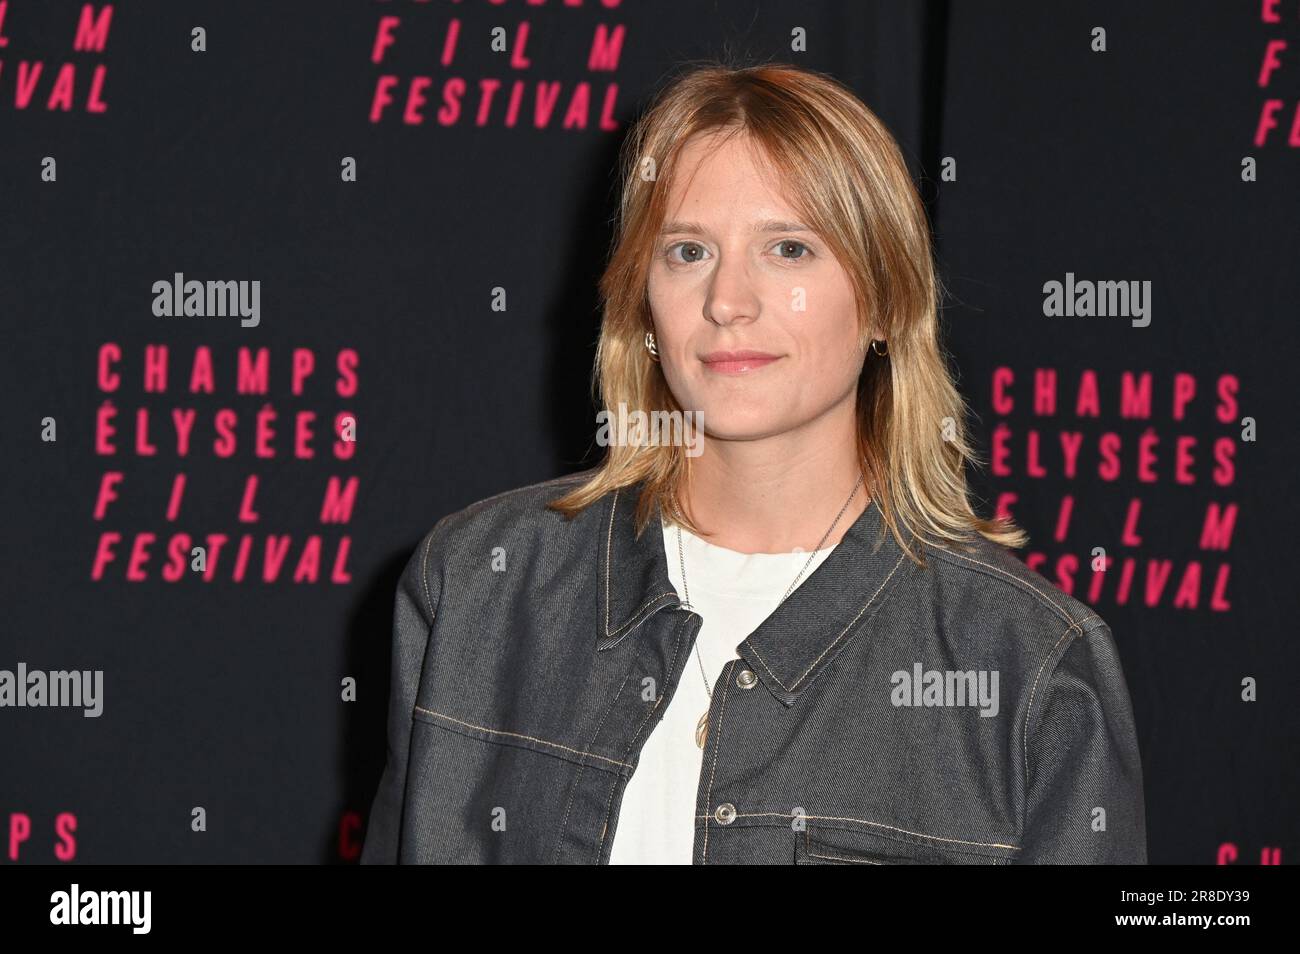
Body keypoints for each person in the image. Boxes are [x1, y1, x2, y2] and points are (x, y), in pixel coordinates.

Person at [360, 62, 1147, 865]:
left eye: (789, 248)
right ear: (643, 304)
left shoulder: (1028, 664)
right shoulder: (478, 586)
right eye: (688, 251)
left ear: (885, 300)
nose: (727, 301)